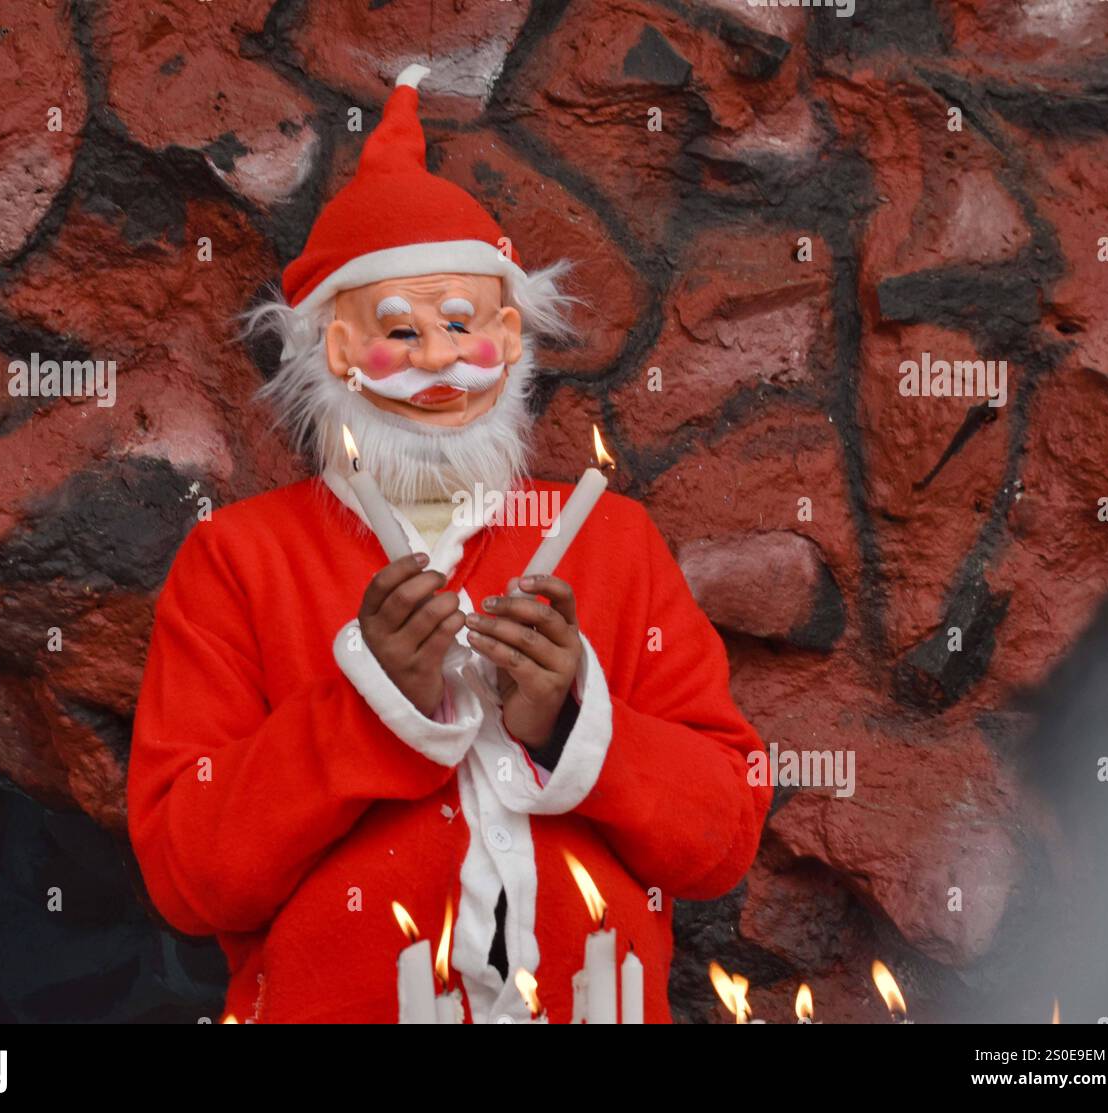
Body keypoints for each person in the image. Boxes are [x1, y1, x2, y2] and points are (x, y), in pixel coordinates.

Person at [127, 64, 771, 1024]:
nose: (437, 359)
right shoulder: (238, 559)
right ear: (336, 353)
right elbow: (189, 877)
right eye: (399, 330)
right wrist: (362, 708)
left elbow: (721, 840)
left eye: (461, 324)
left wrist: (570, 718)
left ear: (509, 338)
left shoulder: (613, 540)